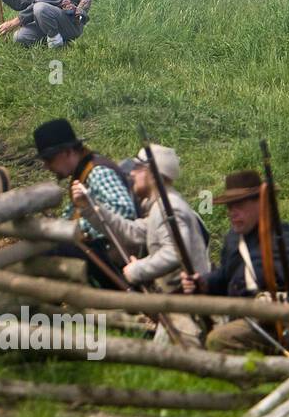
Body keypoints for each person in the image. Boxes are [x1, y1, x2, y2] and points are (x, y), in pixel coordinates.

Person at [71, 142, 209, 344]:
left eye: (138, 168)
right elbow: (131, 232)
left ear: (153, 174)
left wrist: (138, 270)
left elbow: (174, 253)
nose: (132, 174)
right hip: (175, 303)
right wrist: (90, 207)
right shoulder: (160, 207)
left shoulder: (171, 209)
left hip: (186, 307)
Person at [180, 170, 289, 355]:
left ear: (260, 203)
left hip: (270, 324)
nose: (232, 212)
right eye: (229, 206)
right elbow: (225, 277)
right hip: (238, 316)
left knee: (219, 339)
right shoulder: (233, 239)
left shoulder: (281, 237)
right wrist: (203, 282)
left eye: (238, 205)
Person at [34, 118, 137, 288]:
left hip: (114, 255)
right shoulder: (83, 174)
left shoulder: (98, 172)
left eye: (49, 159)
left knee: (52, 252)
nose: (46, 166)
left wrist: (78, 230)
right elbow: (75, 213)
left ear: (66, 152)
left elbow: (124, 211)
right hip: (102, 251)